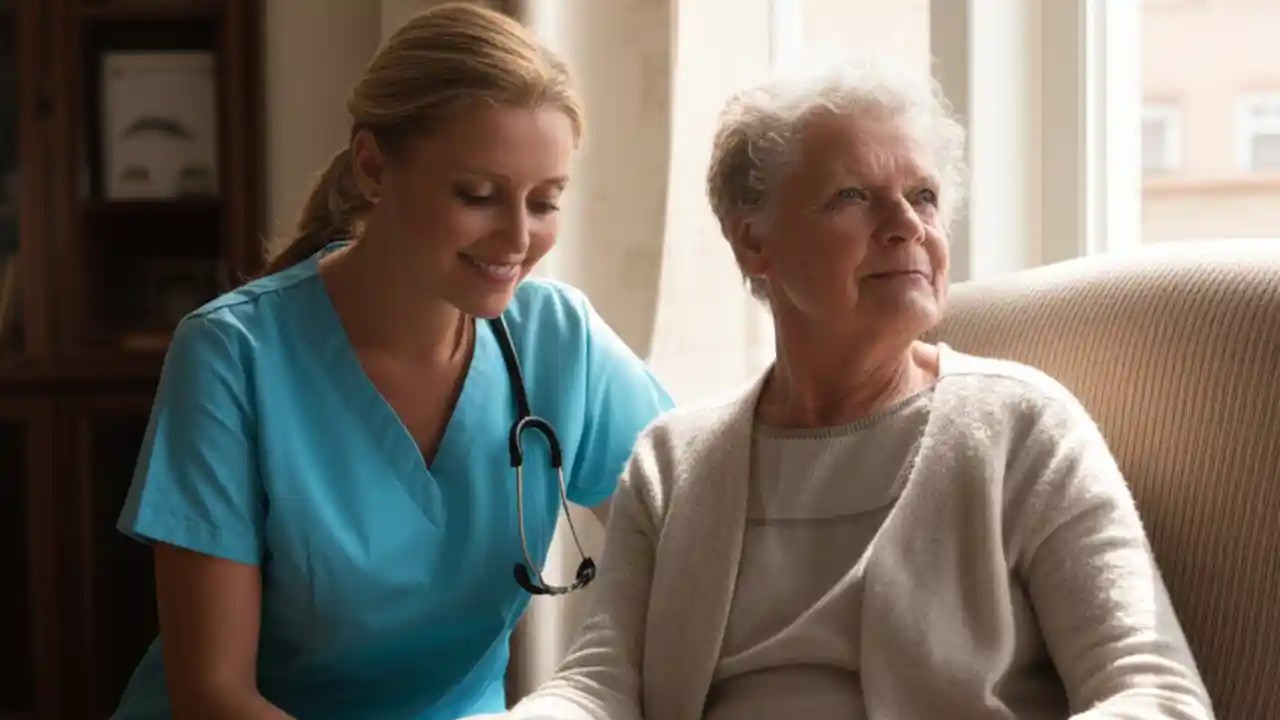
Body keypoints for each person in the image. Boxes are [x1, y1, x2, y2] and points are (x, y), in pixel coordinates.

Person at [502, 51, 1215, 719]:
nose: (908, 225)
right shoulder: (671, 460)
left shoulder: (1025, 427)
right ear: (754, 240)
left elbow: (1153, 691)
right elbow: (598, 684)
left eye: (924, 196)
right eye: (854, 196)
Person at [110, 4, 672, 719]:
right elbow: (212, 693)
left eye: (545, 202)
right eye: (478, 195)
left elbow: (696, 530)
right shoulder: (232, 356)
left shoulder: (561, 340)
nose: (517, 237)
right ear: (373, 165)